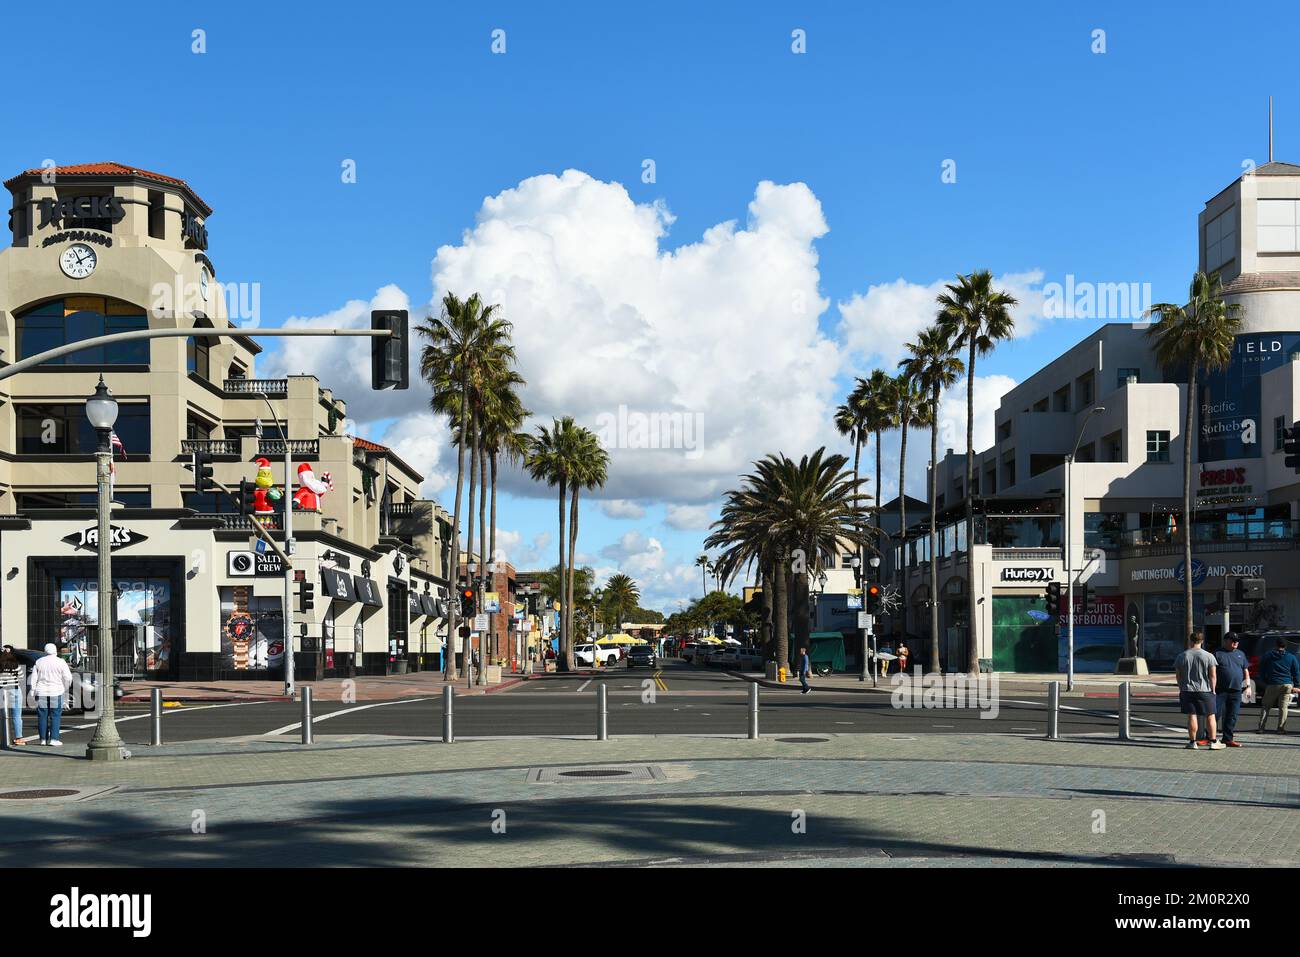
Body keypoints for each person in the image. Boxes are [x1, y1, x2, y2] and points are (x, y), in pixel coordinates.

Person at [1174, 633, 1224, 750]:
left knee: (1192, 716)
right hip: (1205, 689)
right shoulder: (1209, 656)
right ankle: (1213, 741)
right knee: (1210, 715)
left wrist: (1181, 687)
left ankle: (1192, 742)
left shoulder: (1182, 656)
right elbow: (1213, 675)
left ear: (1190, 641)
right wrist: (1213, 689)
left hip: (1187, 689)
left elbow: (1178, 675)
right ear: (1202, 641)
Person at [29, 643, 73, 747]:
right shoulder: (61, 662)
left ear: (45, 651)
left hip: (41, 691)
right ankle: (54, 739)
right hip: (56, 691)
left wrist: (32, 690)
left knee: (42, 716)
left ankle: (43, 739)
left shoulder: (39, 662)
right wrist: (65, 688)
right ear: (55, 651)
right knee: (55, 716)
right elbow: (68, 678)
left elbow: (34, 678)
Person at [1256, 637, 1300, 734]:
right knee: (1283, 707)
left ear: (1275, 645)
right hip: (1287, 684)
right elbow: (1296, 672)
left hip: (1273, 683)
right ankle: (1280, 729)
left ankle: (1261, 728)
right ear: (1285, 646)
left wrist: (1265, 681)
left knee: (1266, 706)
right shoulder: (1291, 657)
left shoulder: (1268, 655)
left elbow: (1261, 670)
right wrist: (1296, 685)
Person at [1213, 632, 1249, 747]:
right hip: (1220, 690)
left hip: (1236, 690)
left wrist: (1248, 686)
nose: (1235, 643)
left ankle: (1227, 739)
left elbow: (1245, 670)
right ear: (1225, 641)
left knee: (1232, 715)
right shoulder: (1217, 653)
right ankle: (1210, 737)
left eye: (1237, 641)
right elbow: (1210, 672)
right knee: (1215, 714)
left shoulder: (1240, 654)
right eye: (1233, 640)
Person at [0, 645, 25, 745]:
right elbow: (22, 677)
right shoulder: (16, 665)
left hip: (2, 691)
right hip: (14, 690)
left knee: (1, 715)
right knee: (17, 715)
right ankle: (19, 738)